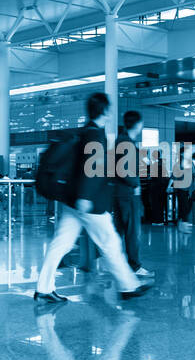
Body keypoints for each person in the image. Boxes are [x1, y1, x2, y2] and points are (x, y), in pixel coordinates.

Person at [36, 93, 151, 302]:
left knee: (61, 243)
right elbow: (94, 168)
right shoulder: (94, 135)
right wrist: (86, 196)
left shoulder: (83, 132)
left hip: (73, 201)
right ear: (106, 111)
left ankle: (43, 288)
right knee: (110, 242)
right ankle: (128, 286)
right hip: (89, 202)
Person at [113, 110, 152, 277]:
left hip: (119, 193)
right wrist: (135, 183)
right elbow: (123, 170)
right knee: (132, 232)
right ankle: (134, 266)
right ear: (138, 124)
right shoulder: (126, 143)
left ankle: (114, 263)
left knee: (119, 230)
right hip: (128, 194)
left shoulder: (119, 141)